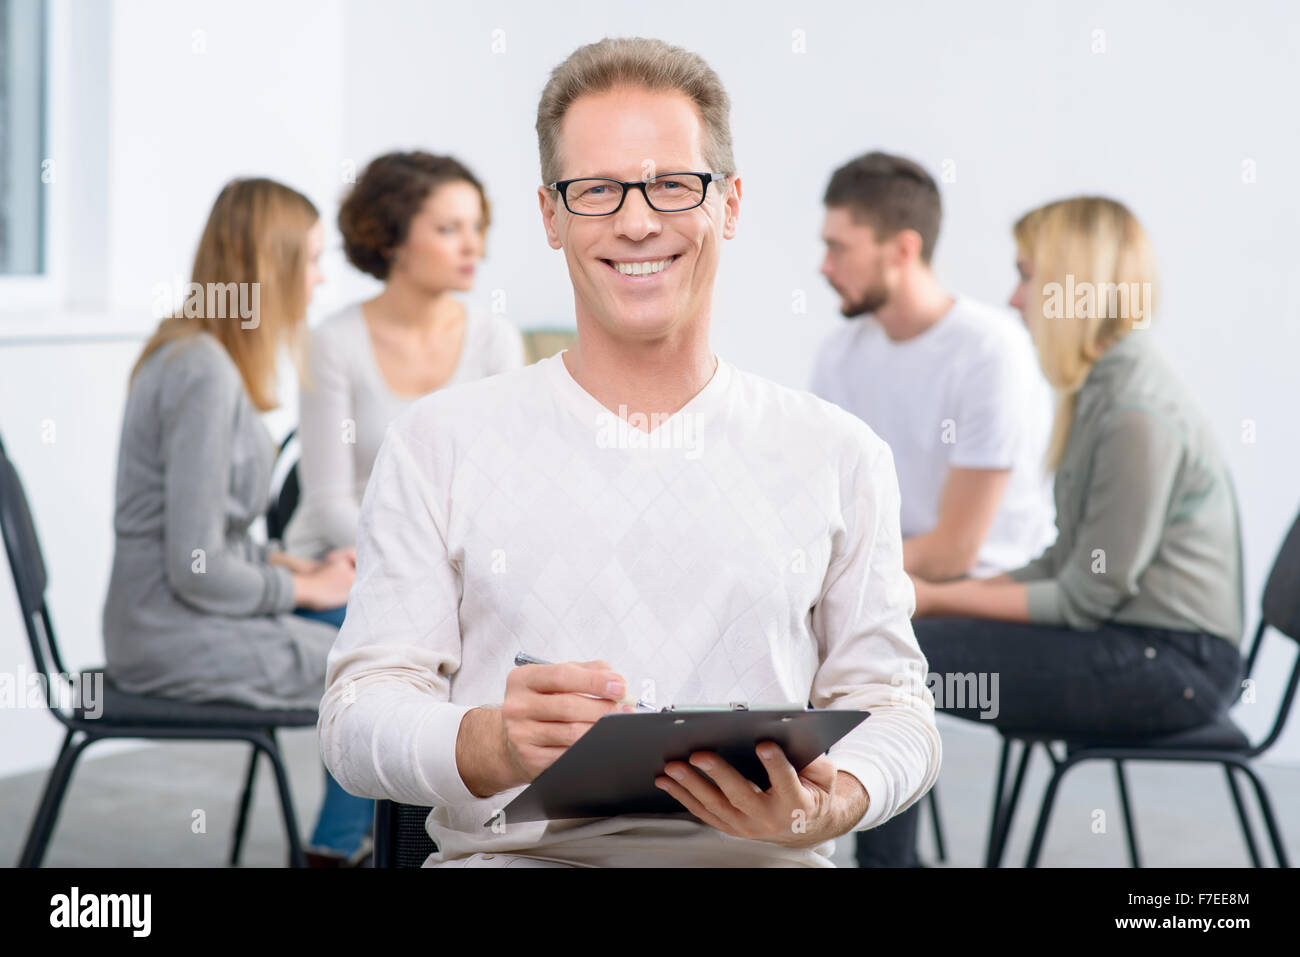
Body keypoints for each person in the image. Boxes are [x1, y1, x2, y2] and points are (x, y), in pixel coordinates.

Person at [317, 36, 942, 868]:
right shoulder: (439, 442)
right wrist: (488, 744)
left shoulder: (838, 453)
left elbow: (896, 704)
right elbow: (355, 717)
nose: (638, 220)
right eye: (598, 190)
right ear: (551, 216)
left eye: (672, 185)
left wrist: (840, 797)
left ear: (729, 204)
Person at [854, 196, 1247, 867]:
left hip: (1169, 668)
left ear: (1074, 287)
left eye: (1027, 274)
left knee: (897, 658)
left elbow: (1083, 597)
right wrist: (926, 590)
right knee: (895, 644)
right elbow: (1066, 561)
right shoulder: (1103, 388)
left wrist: (930, 595)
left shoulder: (1135, 411)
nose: (1014, 297)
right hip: (1133, 644)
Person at [101, 177, 374, 866]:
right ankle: (344, 851)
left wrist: (291, 567)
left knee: (363, 633)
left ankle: (341, 843)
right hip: (170, 633)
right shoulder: (203, 372)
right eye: (310, 261)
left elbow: (208, 540)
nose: (317, 282)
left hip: (169, 618)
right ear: (271, 267)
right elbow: (196, 568)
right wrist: (306, 589)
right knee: (375, 669)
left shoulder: (191, 352)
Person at [812, 152, 1055, 583]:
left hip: (981, 596)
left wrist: (830, 575)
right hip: (882, 586)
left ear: (904, 249)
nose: (825, 268)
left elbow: (954, 552)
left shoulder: (989, 351)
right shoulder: (839, 354)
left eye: (839, 248)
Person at [283, 151, 525, 560]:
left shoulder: (495, 340)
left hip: (454, 566)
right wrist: (427, 569)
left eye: (477, 227)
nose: (473, 247)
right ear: (390, 239)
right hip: (341, 562)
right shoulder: (332, 343)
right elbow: (329, 506)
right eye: (449, 229)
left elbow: (503, 485)